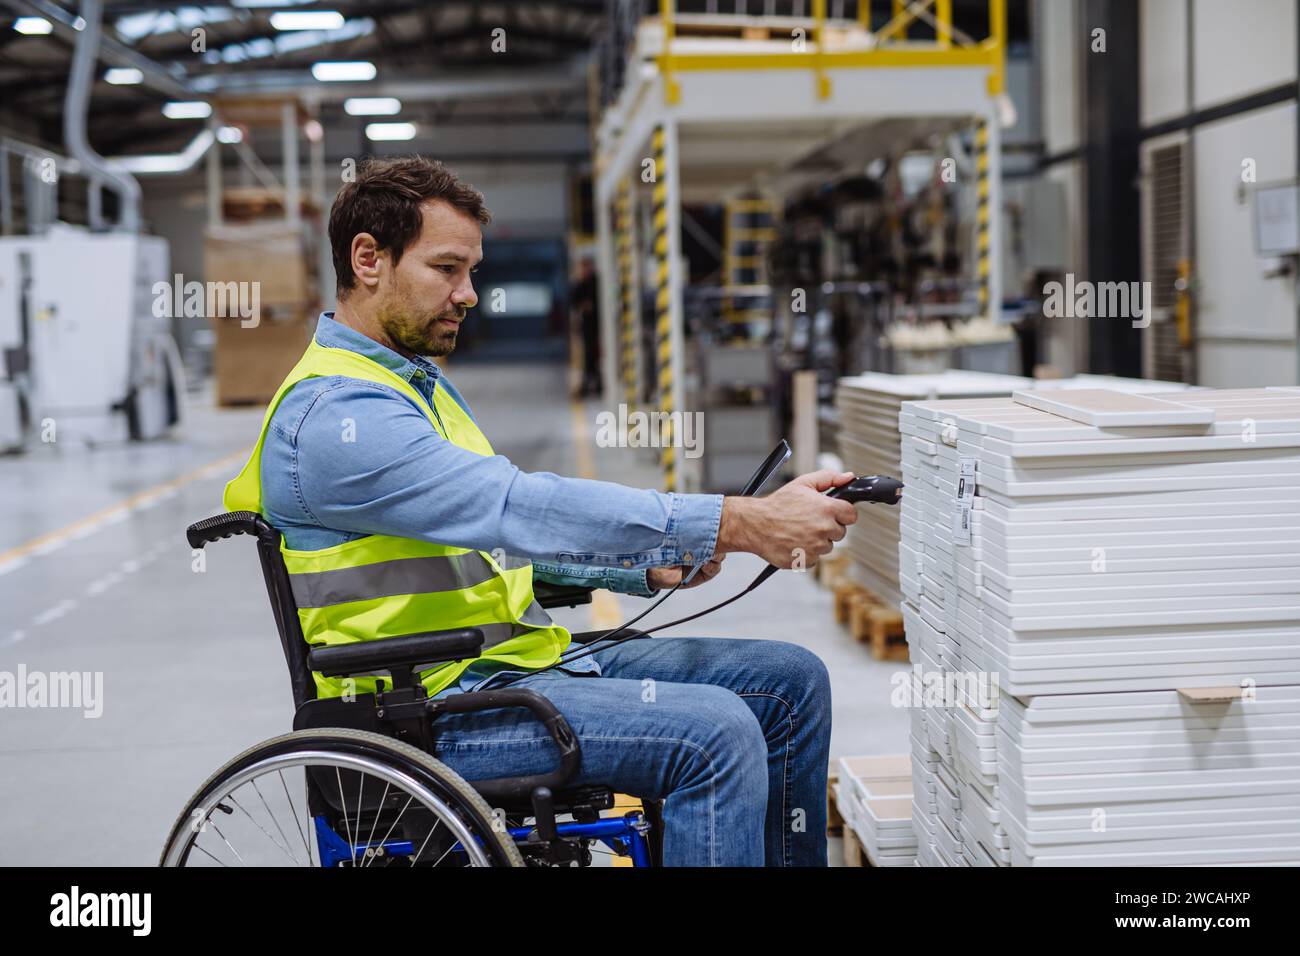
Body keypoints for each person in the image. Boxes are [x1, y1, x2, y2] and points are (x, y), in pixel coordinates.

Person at [223, 156, 859, 866]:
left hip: (507, 673)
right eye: (447, 269)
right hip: (424, 713)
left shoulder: (405, 387)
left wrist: (642, 570)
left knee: (790, 684)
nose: (469, 294)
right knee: (715, 733)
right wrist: (738, 521)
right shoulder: (336, 415)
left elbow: (489, 541)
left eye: (472, 271)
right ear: (367, 259)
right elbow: (515, 506)